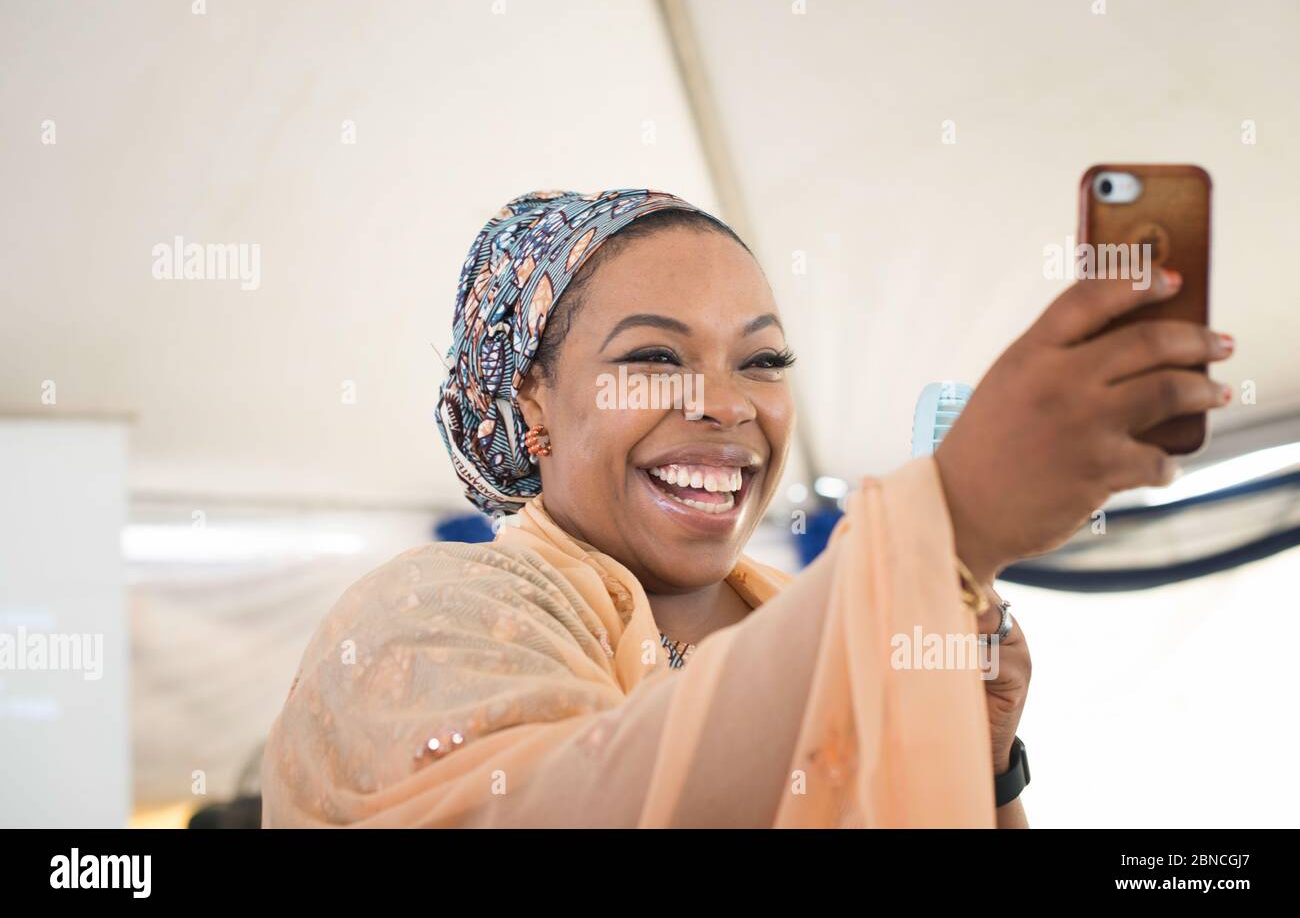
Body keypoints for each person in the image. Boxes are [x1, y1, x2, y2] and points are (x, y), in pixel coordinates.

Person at [261, 188, 1232, 827]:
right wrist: (953, 515)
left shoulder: (814, 617)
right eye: (654, 356)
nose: (727, 404)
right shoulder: (425, 616)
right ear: (532, 403)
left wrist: (985, 771)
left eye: (762, 360)